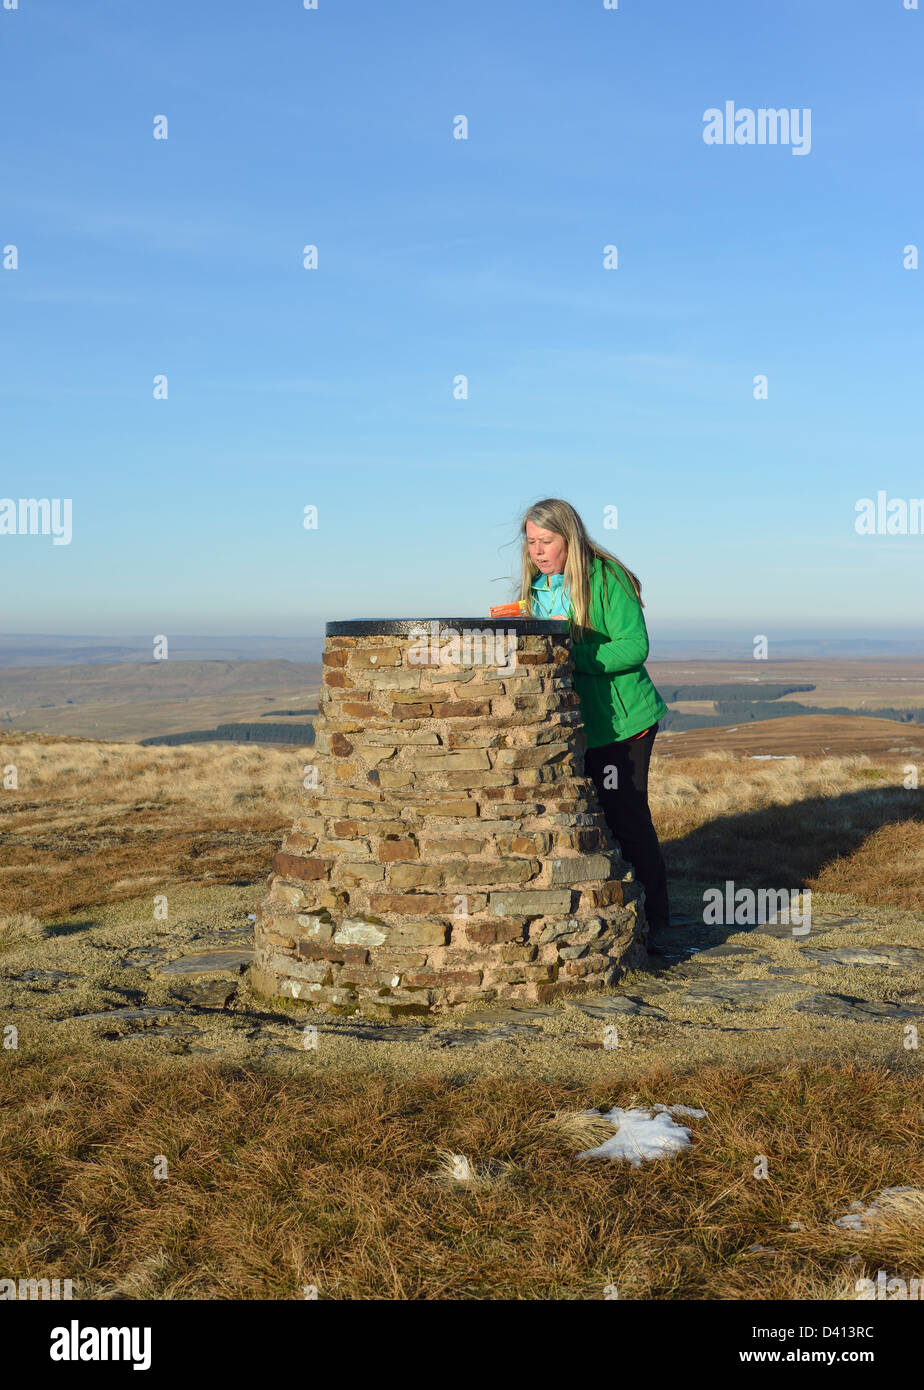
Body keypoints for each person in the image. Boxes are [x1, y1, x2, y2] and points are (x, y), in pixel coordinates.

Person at [516, 497, 671, 942]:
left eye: (547, 541)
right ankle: (615, 915)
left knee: (627, 817)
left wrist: (568, 656)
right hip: (578, 726)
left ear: (571, 538)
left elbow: (634, 646)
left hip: (624, 723)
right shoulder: (536, 591)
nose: (538, 551)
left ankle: (656, 921)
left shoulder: (606, 578)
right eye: (531, 543)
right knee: (590, 817)